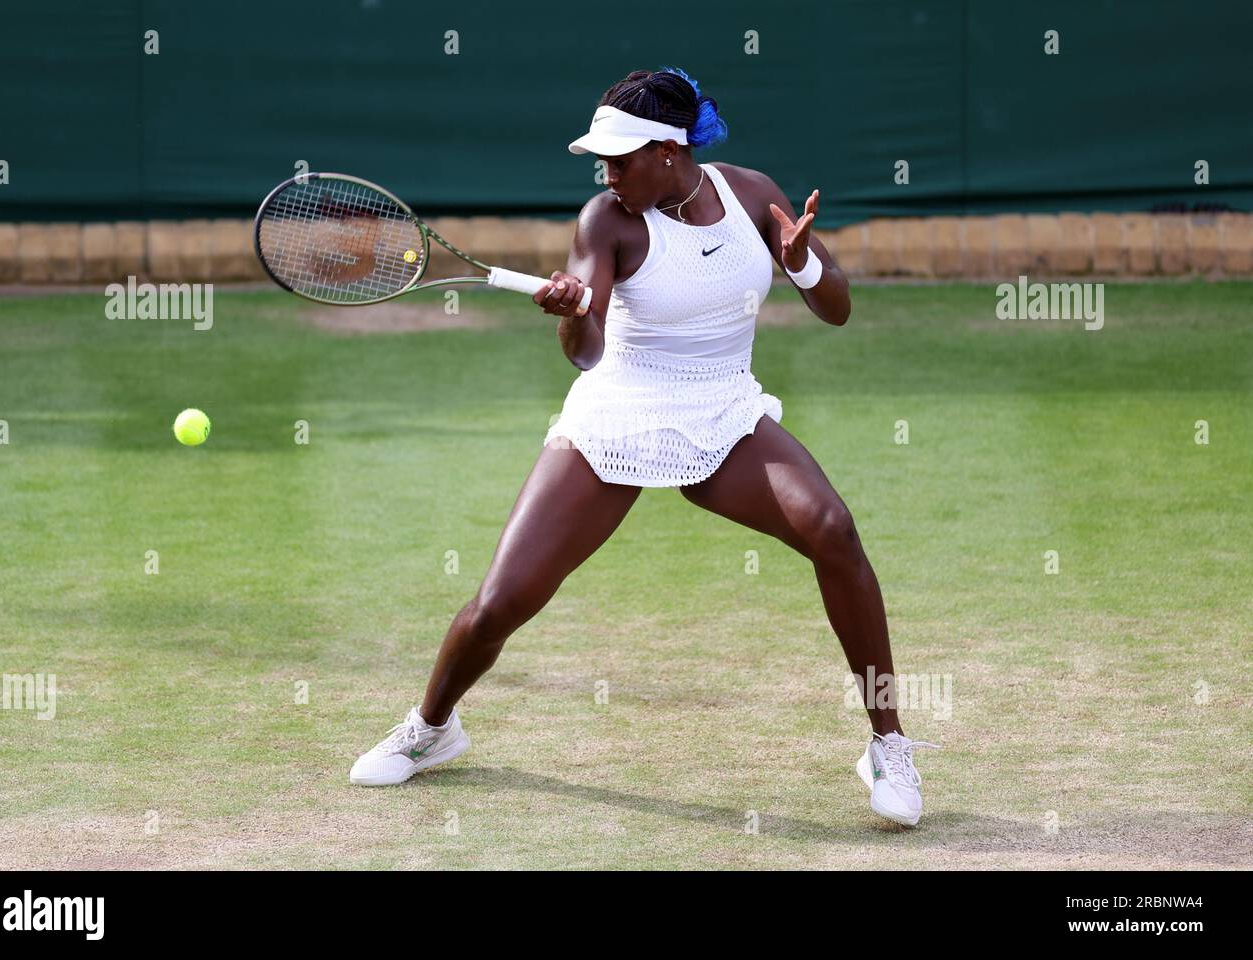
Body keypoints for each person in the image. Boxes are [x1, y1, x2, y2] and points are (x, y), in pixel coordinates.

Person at [350, 67, 938, 827]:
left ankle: (888, 742)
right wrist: (570, 311)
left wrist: (801, 261)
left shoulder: (753, 194)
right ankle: (431, 728)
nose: (607, 173)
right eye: (602, 161)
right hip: (618, 412)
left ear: (668, 150)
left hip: (723, 409)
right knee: (501, 602)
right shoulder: (608, 220)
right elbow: (587, 352)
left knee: (834, 530)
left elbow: (838, 310)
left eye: (621, 160)